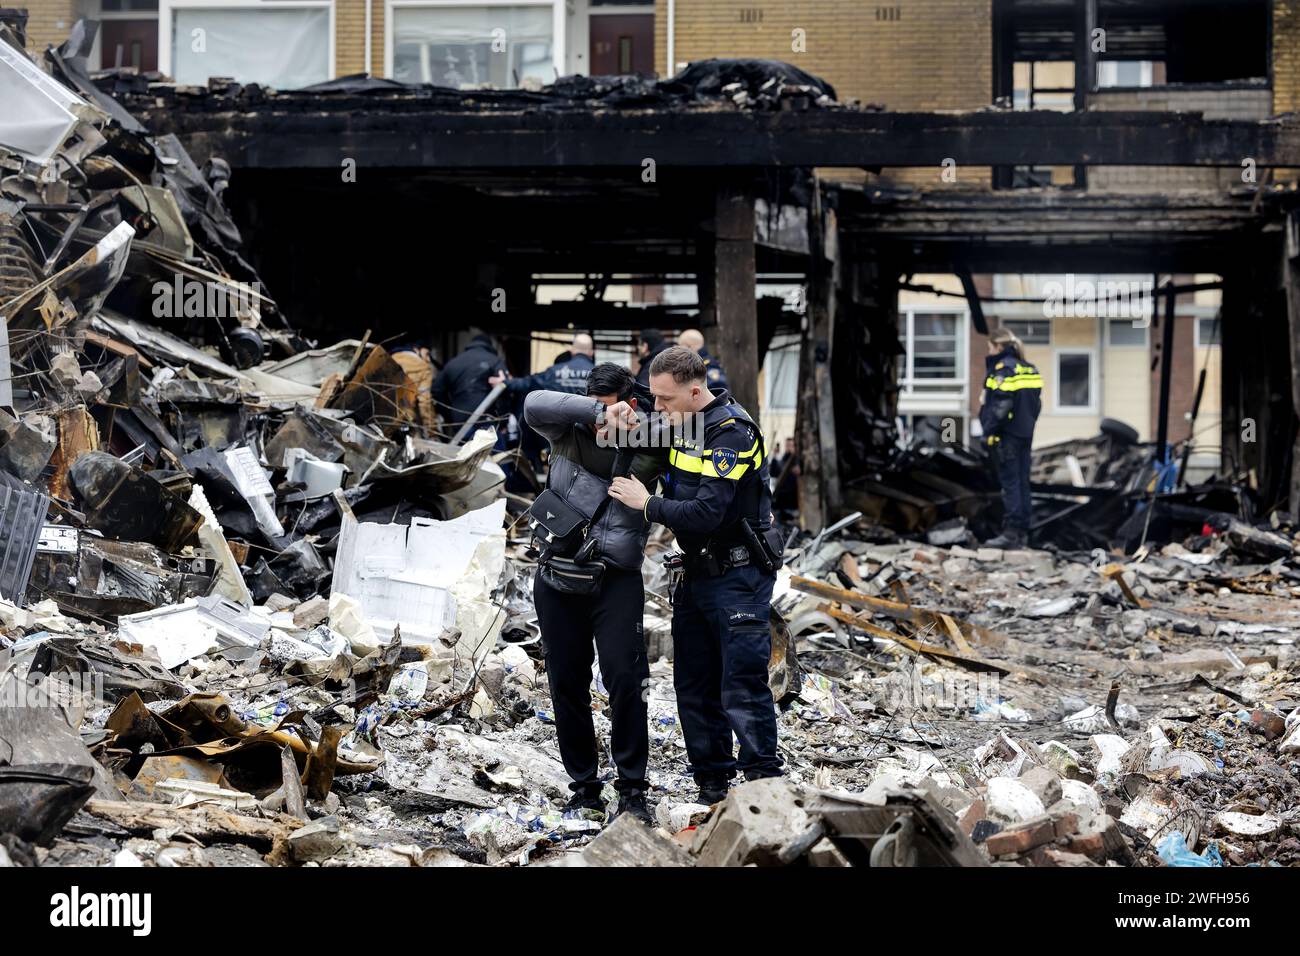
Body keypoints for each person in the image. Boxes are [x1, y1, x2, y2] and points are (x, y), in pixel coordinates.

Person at [607, 346, 783, 804]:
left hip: (738, 577)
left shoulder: (731, 433)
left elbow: (706, 512)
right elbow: (641, 422)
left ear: (695, 390)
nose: (658, 407)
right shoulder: (680, 421)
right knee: (694, 684)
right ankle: (712, 788)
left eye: (665, 400)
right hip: (697, 573)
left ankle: (765, 790)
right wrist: (626, 412)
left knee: (740, 684)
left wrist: (646, 503)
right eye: (656, 399)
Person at [523, 363, 663, 825]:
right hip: (557, 575)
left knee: (626, 681)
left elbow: (684, 425)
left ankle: (633, 791)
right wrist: (595, 412)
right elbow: (531, 403)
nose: (606, 420)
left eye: (614, 406)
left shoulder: (652, 437)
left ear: (634, 400)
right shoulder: (567, 430)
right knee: (567, 684)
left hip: (616, 579)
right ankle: (584, 789)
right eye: (596, 406)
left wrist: (635, 420)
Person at [978, 327, 1043, 548]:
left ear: (998, 347)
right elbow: (1037, 404)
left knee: (1011, 484)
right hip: (1025, 434)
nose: (989, 351)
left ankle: (1011, 533)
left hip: (1008, 437)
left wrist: (988, 431)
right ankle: (1022, 532)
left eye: (989, 347)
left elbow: (1000, 406)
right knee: (1023, 482)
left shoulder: (1003, 370)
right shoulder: (1029, 369)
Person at [432, 332, 505, 436]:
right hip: (486, 421)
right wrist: (502, 421)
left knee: (461, 450)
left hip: (459, 422)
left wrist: (449, 415)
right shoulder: (495, 361)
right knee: (494, 450)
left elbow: (436, 390)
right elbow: (504, 390)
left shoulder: (453, 363)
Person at [390, 340, 437, 432]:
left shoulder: (387, 359)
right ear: (416, 349)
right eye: (427, 354)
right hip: (404, 421)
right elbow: (425, 402)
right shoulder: (422, 367)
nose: (428, 359)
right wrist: (432, 430)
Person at [678, 328, 728, 393]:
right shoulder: (696, 364)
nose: (679, 351)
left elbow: (718, 389)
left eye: (681, 347)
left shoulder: (708, 365)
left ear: (689, 346)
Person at [771, 437, 800, 517]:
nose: (788, 447)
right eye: (787, 445)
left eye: (791, 445)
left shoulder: (798, 460)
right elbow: (773, 473)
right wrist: (775, 456)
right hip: (782, 501)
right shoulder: (783, 460)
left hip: (793, 501)